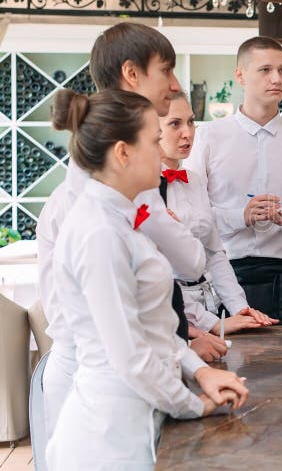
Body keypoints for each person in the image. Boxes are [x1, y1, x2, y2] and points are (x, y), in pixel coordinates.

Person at [36, 23, 224, 443]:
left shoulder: (119, 195)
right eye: (167, 70)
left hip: (134, 387)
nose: (175, 84)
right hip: (100, 394)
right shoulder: (102, 214)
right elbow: (125, 339)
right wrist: (194, 401)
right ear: (132, 74)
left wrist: (197, 368)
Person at [46, 89, 249, 469]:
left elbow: (150, 329)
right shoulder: (99, 232)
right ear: (123, 153)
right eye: (155, 140)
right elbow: (128, 353)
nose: (163, 152)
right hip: (109, 434)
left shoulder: (119, 219)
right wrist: (193, 405)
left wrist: (198, 370)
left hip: (141, 414)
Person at [185, 36, 282, 325]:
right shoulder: (207, 137)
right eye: (265, 70)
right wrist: (241, 216)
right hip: (221, 278)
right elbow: (191, 215)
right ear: (240, 75)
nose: (277, 78)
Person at [159, 93, 279, 334]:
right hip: (169, 315)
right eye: (175, 123)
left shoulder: (193, 181)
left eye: (191, 122)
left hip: (207, 307)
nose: (188, 133)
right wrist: (209, 323)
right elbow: (158, 276)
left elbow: (215, 254)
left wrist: (239, 308)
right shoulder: (144, 189)